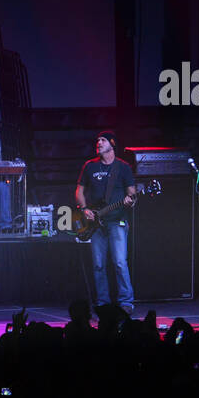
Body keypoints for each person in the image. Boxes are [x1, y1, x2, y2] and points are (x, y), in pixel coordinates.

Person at [74, 130, 137, 316]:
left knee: (119, 262)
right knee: (98, 265)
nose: (98, 143)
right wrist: (84, 209)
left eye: (102, 140)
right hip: (95, 224)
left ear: (112, 143)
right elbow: (79, 191)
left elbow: (132, 194)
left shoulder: (123, 167)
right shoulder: (89, 166)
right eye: (97, 140)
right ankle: (103, 303)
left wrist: (130, 200)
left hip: (117, 221)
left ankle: (126, 302)